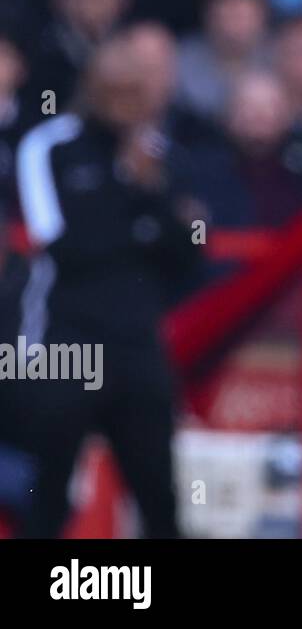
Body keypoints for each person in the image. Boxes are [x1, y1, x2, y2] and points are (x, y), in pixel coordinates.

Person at [14, 31, 205, 537]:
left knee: (159, 497)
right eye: (116, 84)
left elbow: (187, 251)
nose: (127, 96)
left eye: (137, 87)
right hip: (66, 340)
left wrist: (146, 194)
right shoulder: (50, 146)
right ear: (93, 84)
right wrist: (137, 210)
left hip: (139, 343)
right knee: (46, 493)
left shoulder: (161, 155)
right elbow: (63, 243)